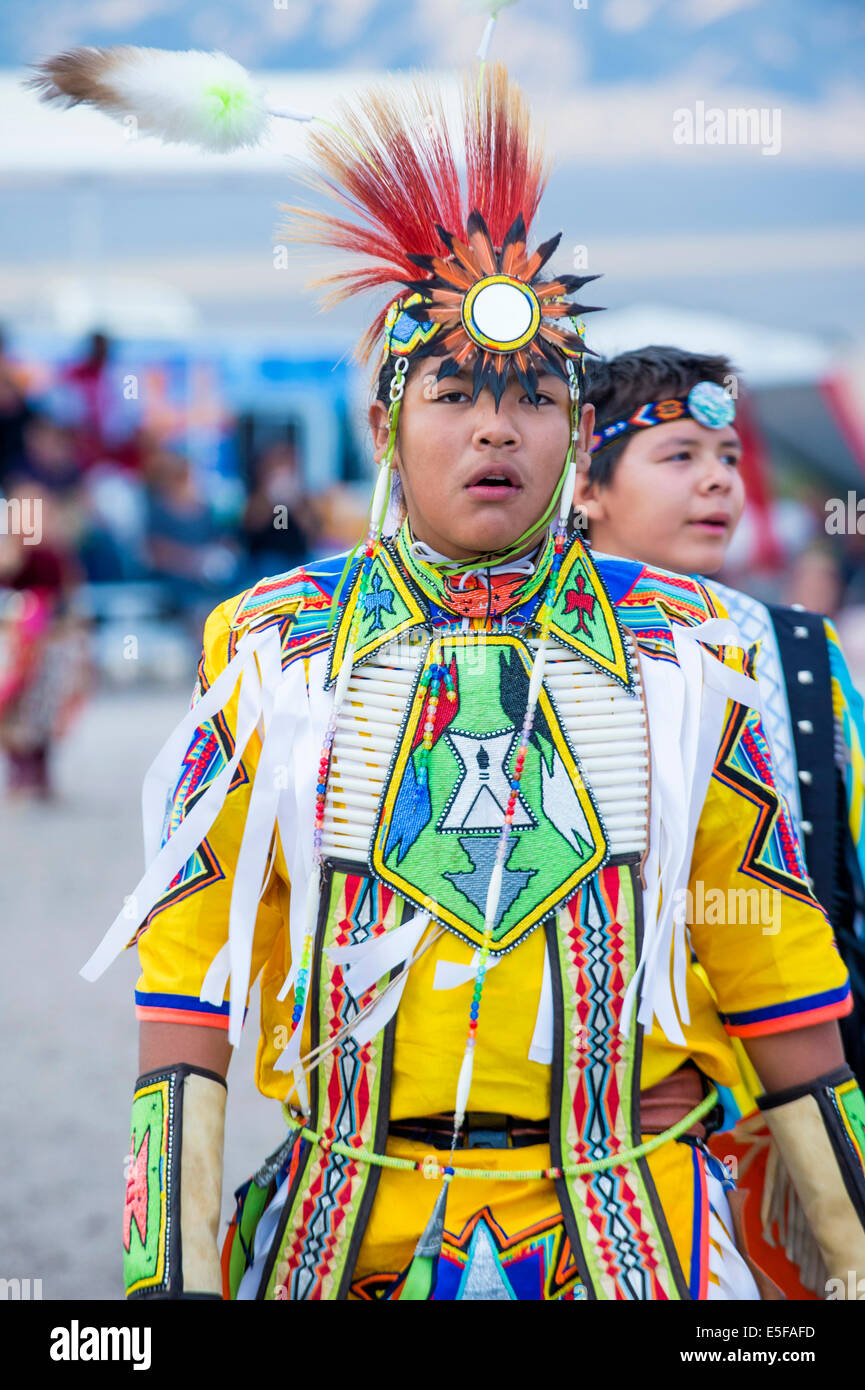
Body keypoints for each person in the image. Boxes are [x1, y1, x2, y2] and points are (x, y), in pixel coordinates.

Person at [60, 58, 865, 1301]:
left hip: (631, 1233)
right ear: (388, 423)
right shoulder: (274, 647)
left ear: (570, 433)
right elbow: (191, 979)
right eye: (455, 393)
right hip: (348, 1228)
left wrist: (852, 1253)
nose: (497, 428)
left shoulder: (683, 651)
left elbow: (777, 983)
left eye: (537, 395)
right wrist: (169, 1280)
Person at [577, 344, 865, 1296]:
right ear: (586, 484)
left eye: (728, 457)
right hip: (616, 1100)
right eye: (679, 457)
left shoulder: (795, 650)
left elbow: (847, 858)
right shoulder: (536, 654)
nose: (715, 481)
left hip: (793, 1076)